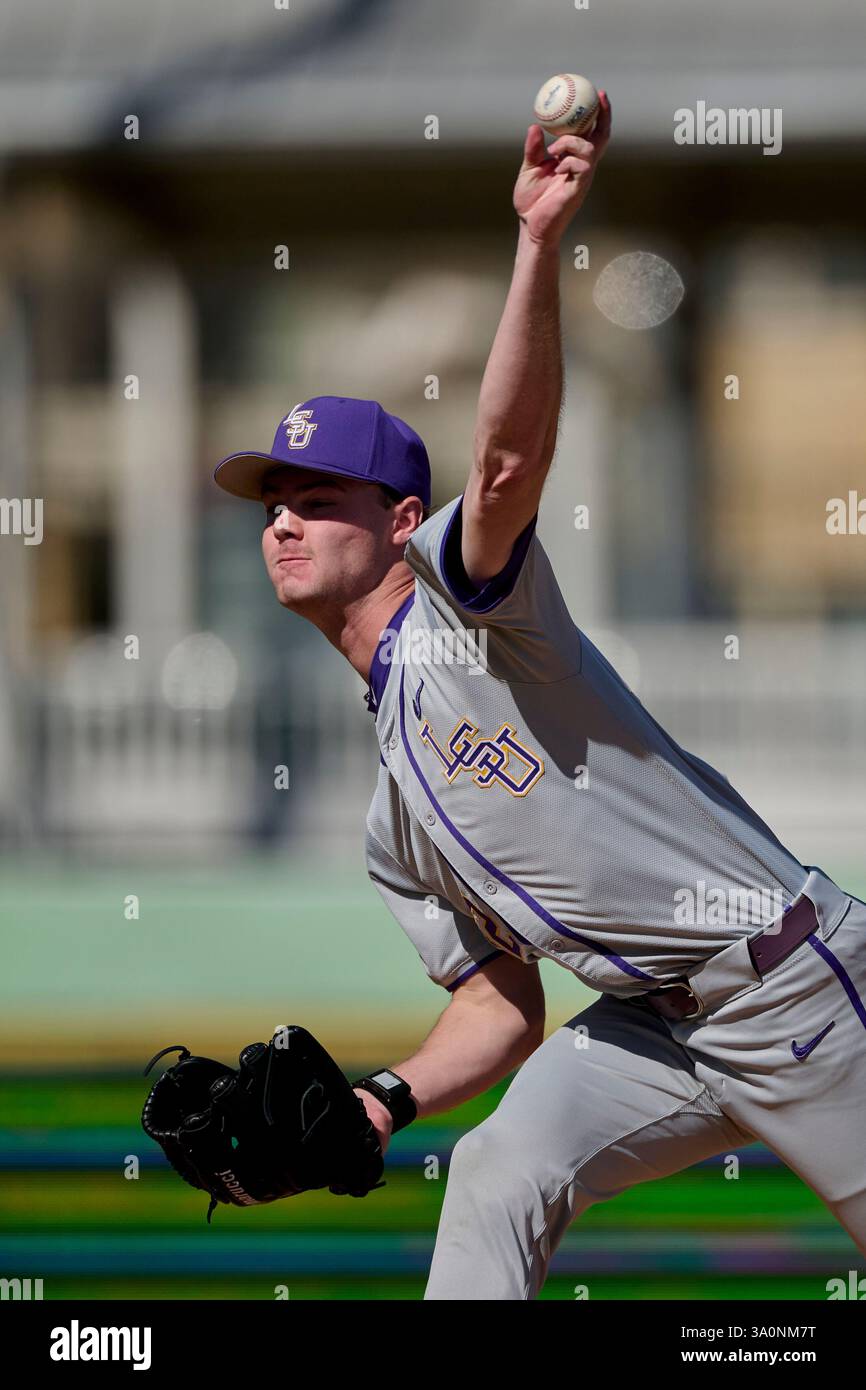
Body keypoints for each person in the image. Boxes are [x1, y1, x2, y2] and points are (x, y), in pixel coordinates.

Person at [214, 92, 866, 1299]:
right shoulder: (391, 818)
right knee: (498, 1165)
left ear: (402, 522)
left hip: (792, 991)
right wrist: (381, 1096)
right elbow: (500, 1003)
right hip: (652, 1031)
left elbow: (507, 461)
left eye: (318, 496)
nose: (284, 520)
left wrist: (533, 240)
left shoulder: (473, 619)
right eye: (272, 503)